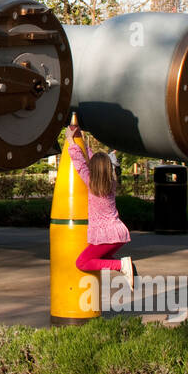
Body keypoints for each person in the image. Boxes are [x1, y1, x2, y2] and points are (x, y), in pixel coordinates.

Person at [67, 122, 135, 290]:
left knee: (82, 262)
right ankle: (125, 267)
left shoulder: (91, 183)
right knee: (102, 259)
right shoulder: (110, 183)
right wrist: (80, 139)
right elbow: (90, 160)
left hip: (106, 235)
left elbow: (80, 163)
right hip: (118, 233)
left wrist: (70, 140)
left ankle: (121, 266)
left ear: (94, 170)